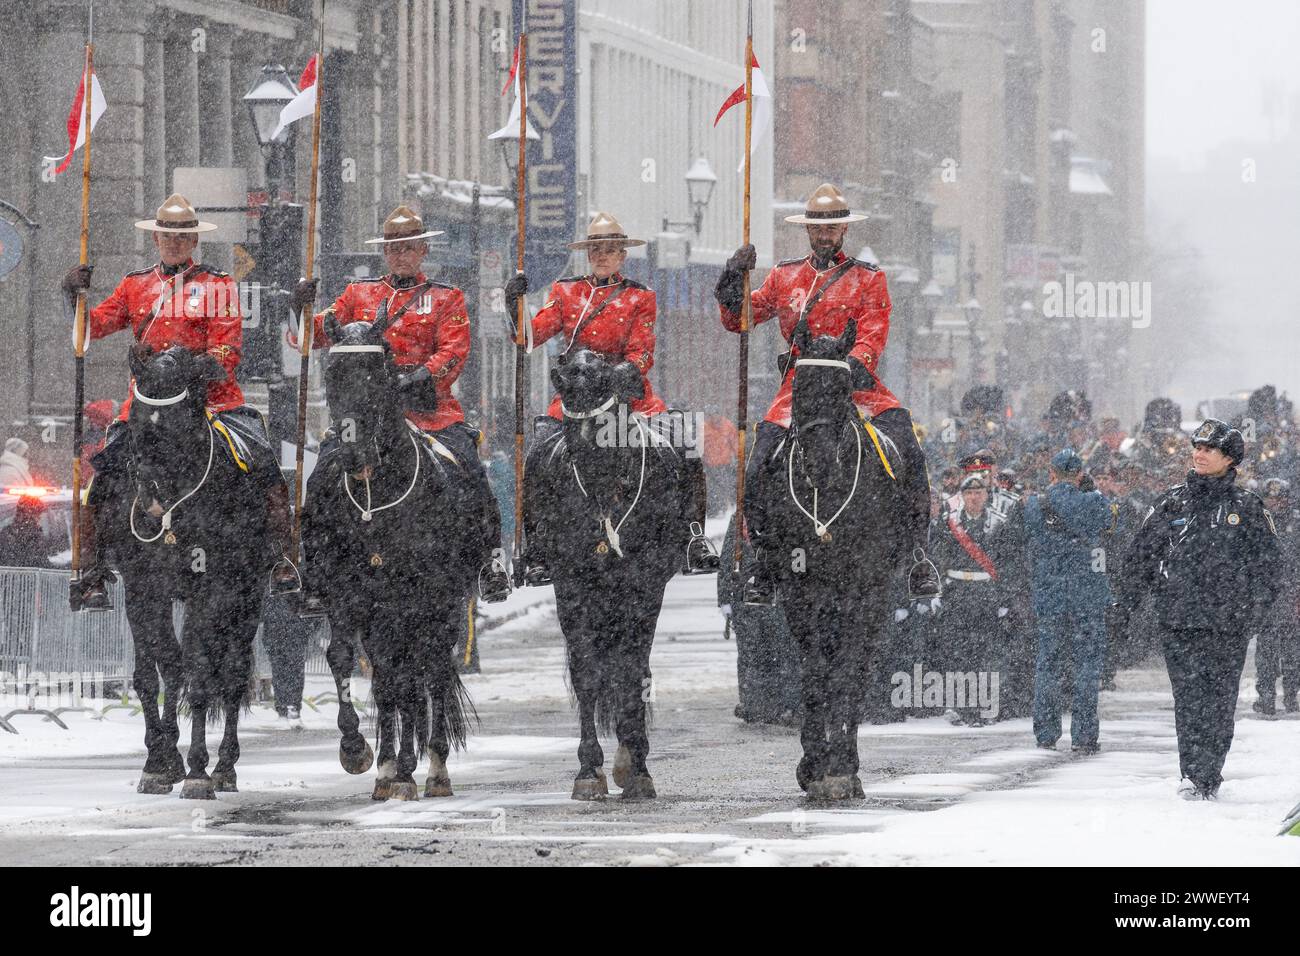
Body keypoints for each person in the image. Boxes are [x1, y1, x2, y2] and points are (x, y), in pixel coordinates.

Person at [61, 194, 298, 611]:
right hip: (148, 408)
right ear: (156, 238)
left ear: (193, 241)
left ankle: (284, 559)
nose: (173, 242)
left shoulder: (217, 285)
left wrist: (189, 366)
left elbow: (228, 352)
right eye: (167, 235)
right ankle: (92, 570)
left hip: (212, 404)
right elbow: (91, 330)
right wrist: (73, 295)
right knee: (101, 477)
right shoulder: (134, 285)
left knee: (264, 463)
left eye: (182, 236)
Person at [713, 183, 938, 604]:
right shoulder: (784, 276)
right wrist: (732, 275)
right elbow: (742, 318)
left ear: (844, 230)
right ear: (808, 229)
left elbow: (873, 335)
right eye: (818, 225)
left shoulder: (869, 278)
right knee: (760, 463)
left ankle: (919, 555)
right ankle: (762, 559)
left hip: (856, 386)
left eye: (833, 225)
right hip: (798, 389)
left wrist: (850, 367)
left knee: (908, 448)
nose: (825, 232)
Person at [292, 205, 511, 604]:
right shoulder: (358, 295)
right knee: (322, 474)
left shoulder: (446, 297)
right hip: (365, 416)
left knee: (471, 474)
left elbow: (453, 352)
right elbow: (312, 337)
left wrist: (412, 379)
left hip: (429, 411)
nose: (401, 255)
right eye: (394, 248)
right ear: (385, 252)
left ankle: (489, 561)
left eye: (409, 247)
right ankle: (314, 568)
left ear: (422, 250)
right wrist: (300, 308)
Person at [504, 212, 718, 583]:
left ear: (622, 255)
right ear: (589, 255)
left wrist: (619, 375)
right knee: (538, 454)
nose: (601, 256)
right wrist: (515, 304)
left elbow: (643, 352)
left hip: (627, 396)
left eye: (609, 250)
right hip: (575, 399)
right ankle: (536, 546)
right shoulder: (566, 292)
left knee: (683, 441)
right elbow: (531, 337)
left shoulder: (639, 296)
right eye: (595, 250)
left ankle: (692, 534)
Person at [1112, 420, 1282, 799]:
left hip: (1227, 626)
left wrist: (1252, 613)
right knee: (1189, 701)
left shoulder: (1247, 508)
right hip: (1178, 620)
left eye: (1209, 448)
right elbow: (1140, 558)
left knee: (1220, 702)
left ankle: (1210, 772)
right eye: (1197, 447)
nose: (1200, 454)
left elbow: (1270, 569)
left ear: (1229, 458)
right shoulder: (1171, 502)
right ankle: (1192, 773)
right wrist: (1124, 606)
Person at [1023, 448, 1112, 753]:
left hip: (1051, 594)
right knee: (1087, 665)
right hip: (1086, 595)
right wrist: (1091, 490)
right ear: (1079, 474)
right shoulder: (1094, 501)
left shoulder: (1036, 505)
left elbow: (1028, 537)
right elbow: (1107, 521)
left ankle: (1046, 731)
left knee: (1048, 663)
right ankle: (1084, 734)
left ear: (1051, 473)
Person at [929, 474, 1020, 725]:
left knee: (985, 653)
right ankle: (960, 706)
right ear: (962, 496)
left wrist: (1004, 599)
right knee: (957, 652)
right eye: (969, 493)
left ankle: (983, 706)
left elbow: (1007, 564)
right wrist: (937, 591)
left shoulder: (999, 524)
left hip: (985, 593)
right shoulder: (950, 524)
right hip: (957, 592)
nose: (973, 497)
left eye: (978, 493)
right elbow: (938, 559)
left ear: (986, 495)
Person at [1253, 477, 1299, 714]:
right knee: (1267, 651)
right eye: (1270, 498)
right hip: (1266, 596)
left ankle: (1291, 695)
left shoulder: (1296, 522)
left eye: (1279, 498)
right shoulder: (1257, 522)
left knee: (1292, 650)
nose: (1275, 502)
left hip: (1292, 595)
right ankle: (1267, 697)